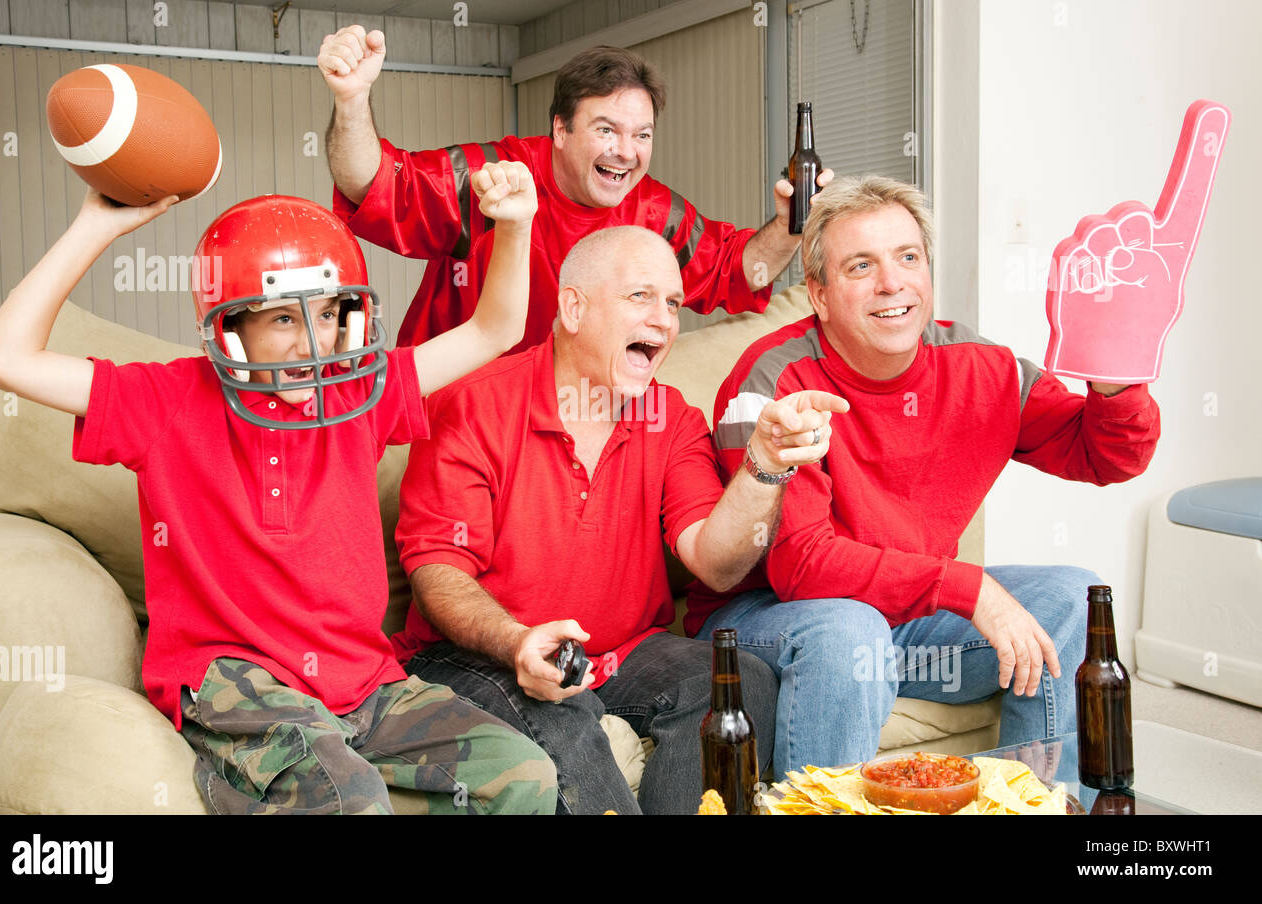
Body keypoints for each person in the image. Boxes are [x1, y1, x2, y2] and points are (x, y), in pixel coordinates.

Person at [0, 161, 561, 815]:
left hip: (360, 680)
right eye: (283, 320)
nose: (314, 342)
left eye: (330, 313)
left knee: (526, 775)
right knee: (349, 798)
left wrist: (515, 225)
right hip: (234, 678)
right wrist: (94, 225)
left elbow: (495, 329)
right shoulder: (164, 400)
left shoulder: (360, 391)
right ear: (230, 326)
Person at [690, 175, 1161, 776]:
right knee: (849, 631)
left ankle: (1045, 800)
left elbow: (1106, 455)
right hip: (768, 620)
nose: (893, 282)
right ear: (819, 293)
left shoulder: (979, 367)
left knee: (1072, 597)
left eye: (908, 257)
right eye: (861, 266)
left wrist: (1113, 367)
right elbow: (804, 566)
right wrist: (970, 590)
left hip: (904, 620)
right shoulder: (771, 383)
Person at [391, 225, 849, 814]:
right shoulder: (474, 406)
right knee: (563, 710)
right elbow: (438, 576)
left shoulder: (672, 418)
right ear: (573, 307)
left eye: (674, 303)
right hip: (478, 654)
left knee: (740, 682)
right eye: (640, 296)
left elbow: (716, 563)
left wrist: (764, 466)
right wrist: (518, 642)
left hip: (622, 651)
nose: (663, 320)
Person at [318, 25, 830, 352]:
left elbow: (737, 271)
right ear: (559, 130)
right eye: (606, 130)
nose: (626, 151)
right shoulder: (493, 174)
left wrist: (789, 223)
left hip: (573, 430)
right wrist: (351, 100)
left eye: (642, 135)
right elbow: (372, 181)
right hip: (452, 421)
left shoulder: (652, 209)